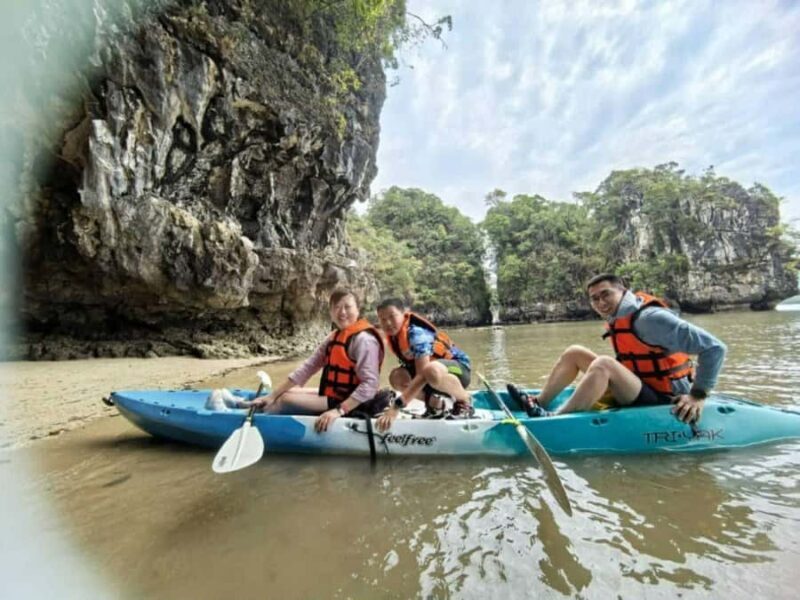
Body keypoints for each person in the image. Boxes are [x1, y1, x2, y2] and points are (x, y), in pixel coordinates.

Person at [509, 273, 727, 424]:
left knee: (603, 364)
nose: (601, 302)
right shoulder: (620, 316)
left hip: (666, 397)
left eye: (606, 294)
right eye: (595, 299)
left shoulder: (650, 319)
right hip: (641, 385)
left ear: (623, 292)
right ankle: (539, 403)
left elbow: (715, 348)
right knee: (574, 352)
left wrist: (698, 395)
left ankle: (555, 419)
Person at [251, 289, 386, 432]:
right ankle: (250, 405)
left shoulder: (364, 340)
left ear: (358, 310)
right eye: (337, 307)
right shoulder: (334, 337)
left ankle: (252, 419)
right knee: (284, 393)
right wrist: (272, 395)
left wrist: (338, 411)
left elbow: (370, 384)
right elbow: (308, 367)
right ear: (331, 312)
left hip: (357, 402)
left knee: (284, 400)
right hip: (338, 395)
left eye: (347, 307)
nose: (342, 312)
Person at [374, 298, 473, 431]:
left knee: (431, 370)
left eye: (392, 316)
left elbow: (422, 375)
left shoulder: (416, 334)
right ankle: (435, 405)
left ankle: (464, 400)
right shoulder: (394, 337)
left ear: (403, 314)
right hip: (432, 377)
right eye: (382, 319)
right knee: (397, 377)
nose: (388, 323)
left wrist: (396, 407)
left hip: (459, 370)